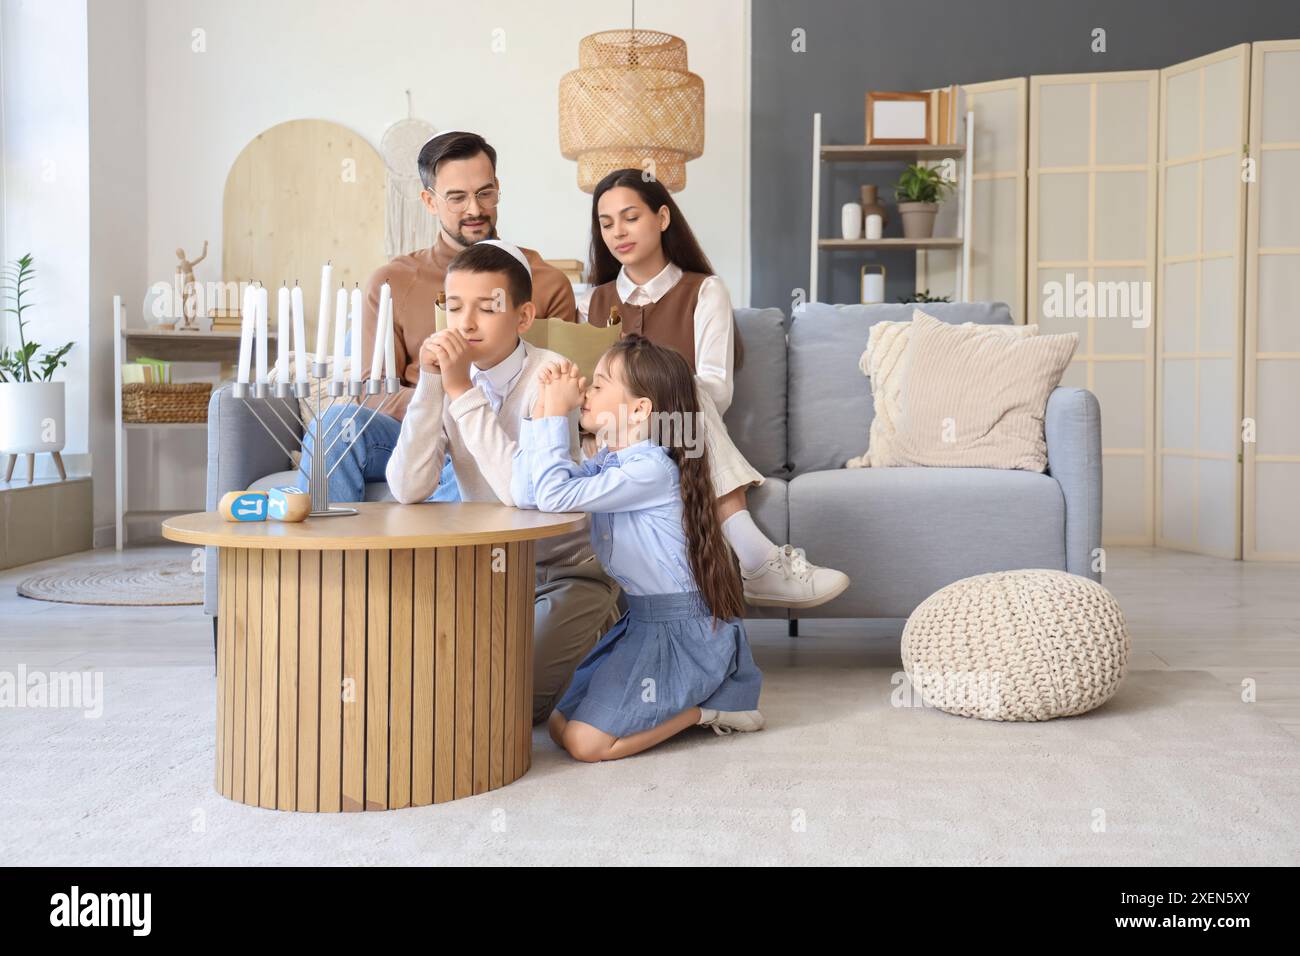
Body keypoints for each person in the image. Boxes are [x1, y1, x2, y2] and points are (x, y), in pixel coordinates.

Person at [582, 168, 849, 608]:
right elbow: (585, 392)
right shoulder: (591, 300)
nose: (617, 233)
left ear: (663, 217)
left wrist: (656, 401)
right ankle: (759, 560)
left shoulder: (703, 292)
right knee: (681, 394)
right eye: (606, 223)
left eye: (629, 217)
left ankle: (758, 562)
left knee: (690, 391)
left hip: (677, 433)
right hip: (609, 438)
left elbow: (716, 389)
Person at [385, 240, 619, 725]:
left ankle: (602, 634)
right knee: (423, 680)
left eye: (486, 309)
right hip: (487, 571)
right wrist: (432, 384)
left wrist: (459, 390)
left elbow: (523, 492)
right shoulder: (448, 377)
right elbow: (408, 487)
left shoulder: (549, 377)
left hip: (566, 570)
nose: (465, 323)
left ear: (523, 316)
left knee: (512, 701)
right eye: (453, 307)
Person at [512, 335, 764, 762]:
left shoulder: (650, 470)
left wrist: (559, 415)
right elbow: (529, 493)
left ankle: (710, 710)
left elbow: (555, 496)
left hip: (681, 631)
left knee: (585, 744)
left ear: (641, 409)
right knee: (557, 724)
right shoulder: (611, 461)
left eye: (600, 384)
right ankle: (695, 701)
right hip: (642, 623)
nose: (588, 390)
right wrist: (540, 413)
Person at [298, 130, 577, 504]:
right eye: (457, 198)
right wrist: (439, 402)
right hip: (415, 428)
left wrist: (467, 402)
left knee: (469, 465)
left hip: (507, 436)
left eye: (484, 193)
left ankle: (443, 557)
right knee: (331, 426)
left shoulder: (544, 281)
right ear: (429, 201)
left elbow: (556, 392)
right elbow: (372, 391)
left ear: (498, 189)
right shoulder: (392, 281)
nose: (475, 210)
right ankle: (326, 560)